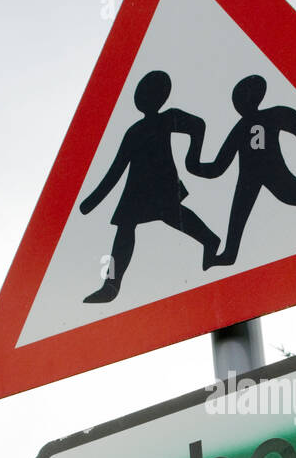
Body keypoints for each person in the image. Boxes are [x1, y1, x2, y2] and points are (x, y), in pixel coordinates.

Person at [79, 70, 220, 303]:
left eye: (147, 93)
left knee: (174, 216)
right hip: (137, 189)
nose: (141, 98)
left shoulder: (167, 118)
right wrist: (92, 201)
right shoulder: (134, 131)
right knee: (127, 228)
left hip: (162, 184)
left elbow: (198, 125)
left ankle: (210, 240)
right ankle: (111, 285)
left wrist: (192, 159)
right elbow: (117, 168)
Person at [193, 75, 296, 266]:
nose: (237, 105)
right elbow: (219, 165)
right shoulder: (263, 118)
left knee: (287, 194)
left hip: (267, 169)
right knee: (240, 211)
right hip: (252, 175)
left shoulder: (254, 121)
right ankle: (229, 253)